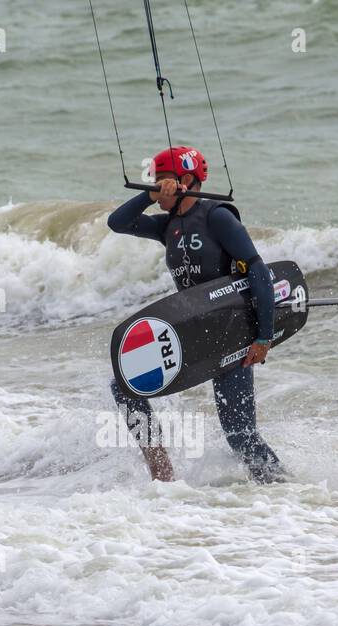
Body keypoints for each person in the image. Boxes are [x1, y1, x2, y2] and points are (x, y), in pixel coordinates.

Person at [106, 145, 283, 483]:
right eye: (154, 181)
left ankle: (283, 491)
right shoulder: (166, 226)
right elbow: (118, 223)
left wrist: (264, 337)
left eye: (162, 180)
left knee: (240, 436)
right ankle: (162, 473)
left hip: (231, 331)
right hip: (193, 330)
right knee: (125, 387)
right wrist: (148, 197)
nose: (156, 187)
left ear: (186, 180)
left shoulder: (217, 216)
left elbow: (258, 271)